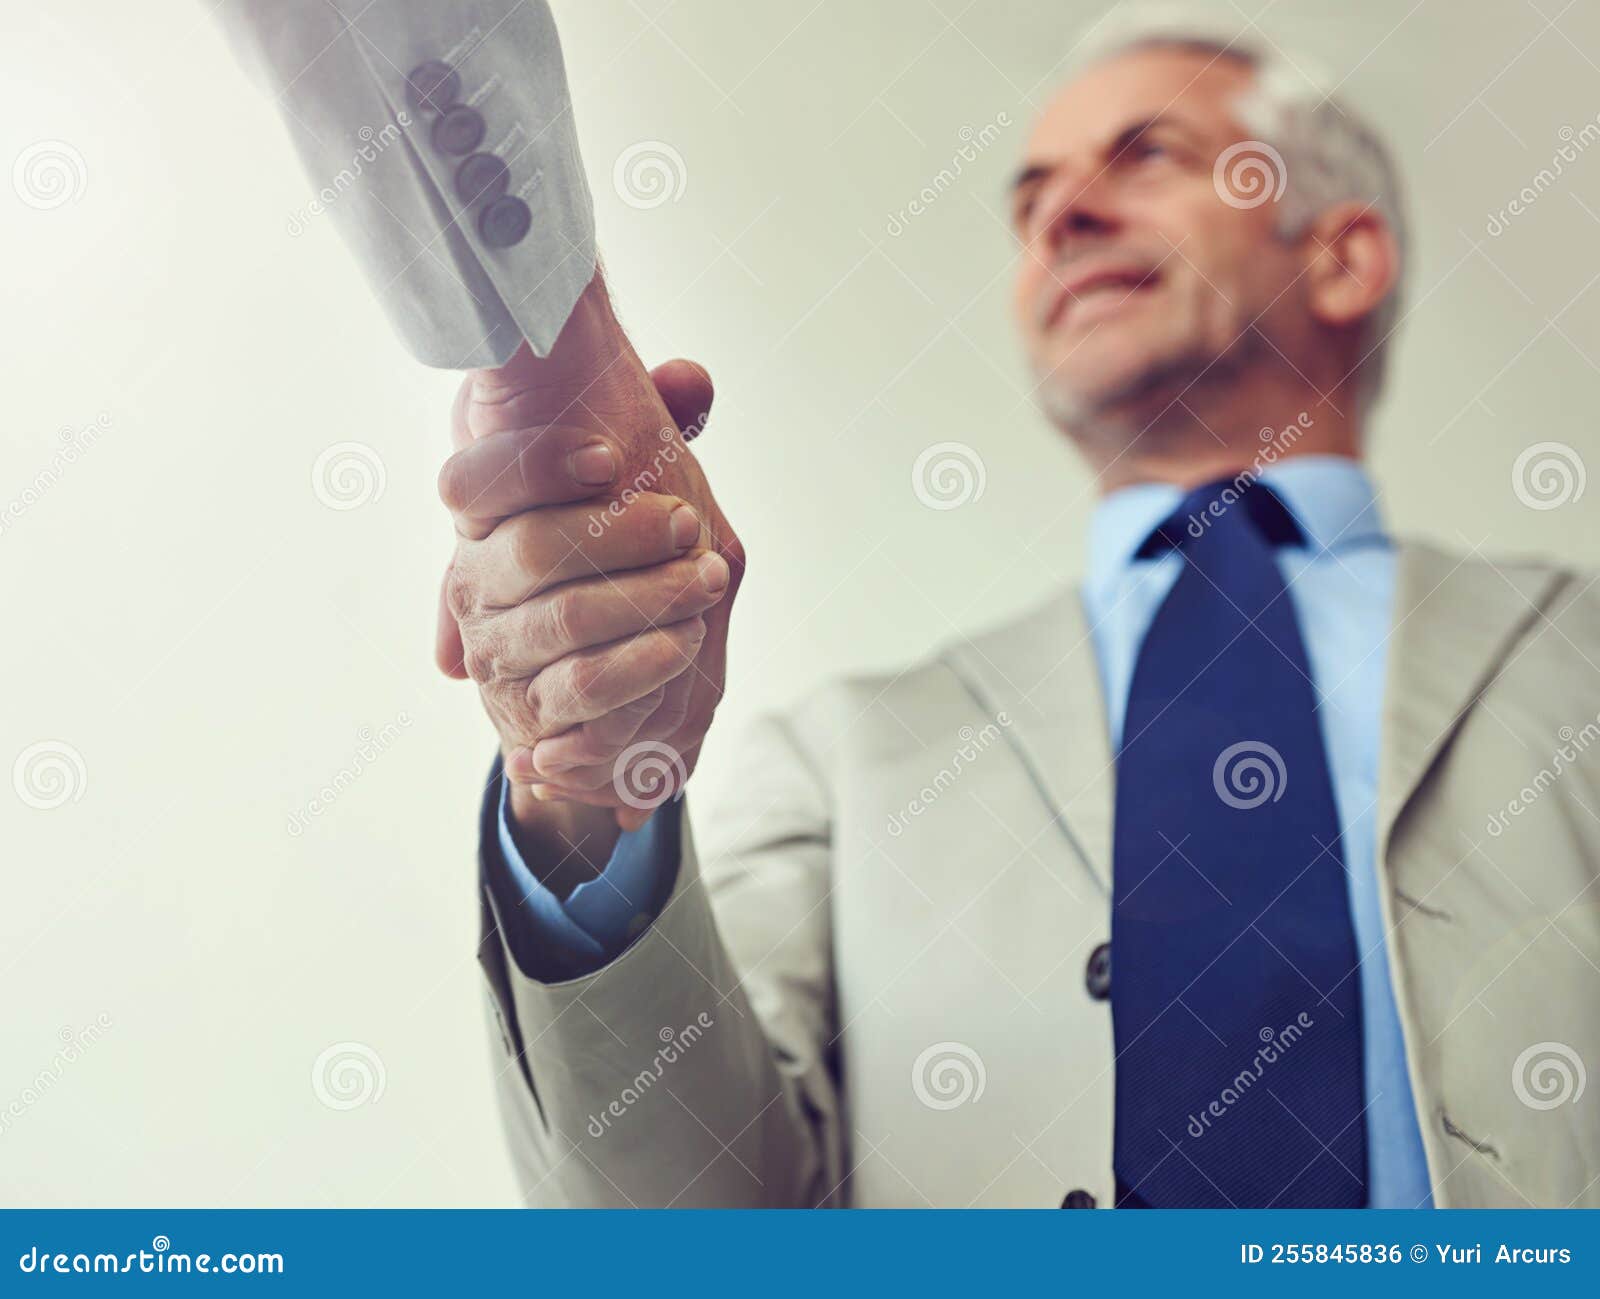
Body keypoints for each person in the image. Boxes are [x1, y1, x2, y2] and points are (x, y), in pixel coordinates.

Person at [229, 4, 1600, 1208]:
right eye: (1032, 198)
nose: (1062, 215)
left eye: (1149, 157)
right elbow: (678, 1234)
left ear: (1347, 257)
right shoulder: (846, 761)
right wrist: (593, 786)